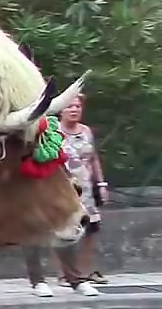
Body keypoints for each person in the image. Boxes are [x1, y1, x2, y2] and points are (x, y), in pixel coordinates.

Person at [23, 93, 106, 297]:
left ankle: (76, 279)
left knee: (69, 230)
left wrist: (100, 183)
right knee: (34, 232)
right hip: (41, 184)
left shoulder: (76, 130)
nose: (74, 109)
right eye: (70, 106)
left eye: (78, 106)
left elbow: (91, 158)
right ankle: (38, 281)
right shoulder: (39, 128)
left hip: (71, 188)